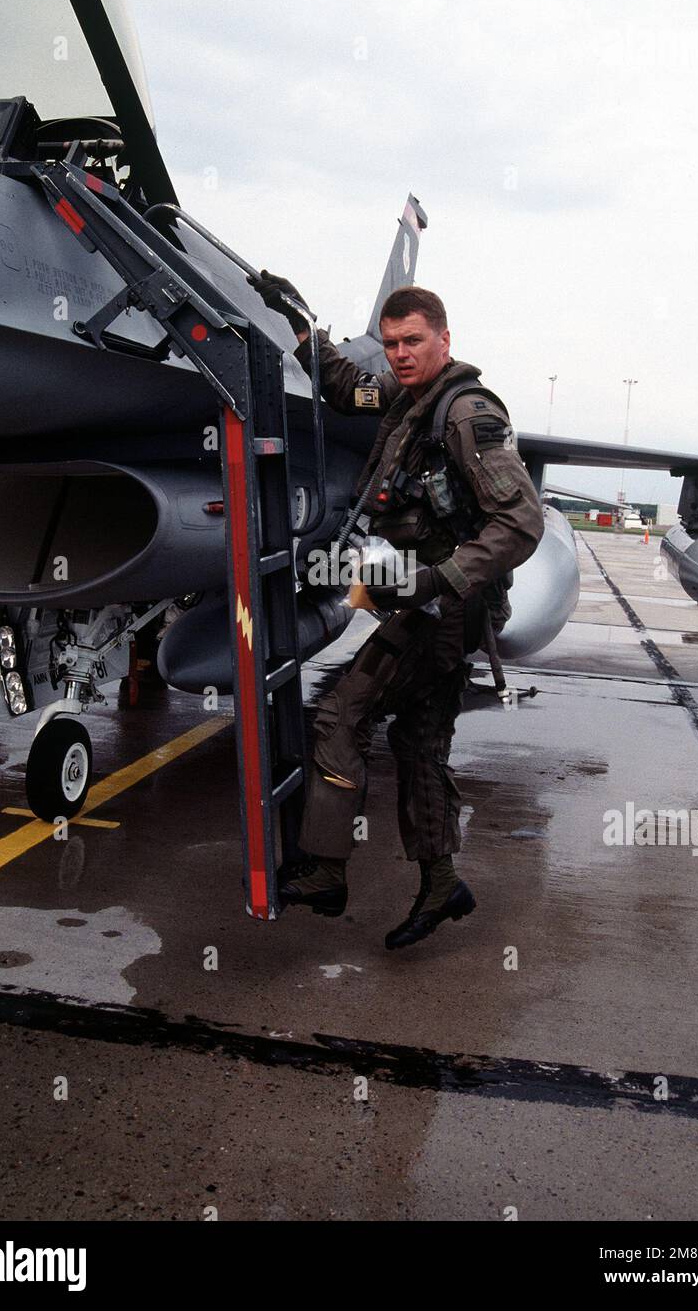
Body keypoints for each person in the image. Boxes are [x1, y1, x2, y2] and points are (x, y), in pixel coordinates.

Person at [249, 272, 544, 947]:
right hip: (431, 602)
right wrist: (301, 329)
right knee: (417, 742)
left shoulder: (466, 416)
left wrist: (438, 580)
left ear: (445, 339)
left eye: (414, 341)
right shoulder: (407, 395)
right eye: (393, 344)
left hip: (446, 608)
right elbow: (348, 387)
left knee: (340, 711)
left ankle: (326, 867)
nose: (401, 354)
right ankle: (441, 884)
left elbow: (521, 524)